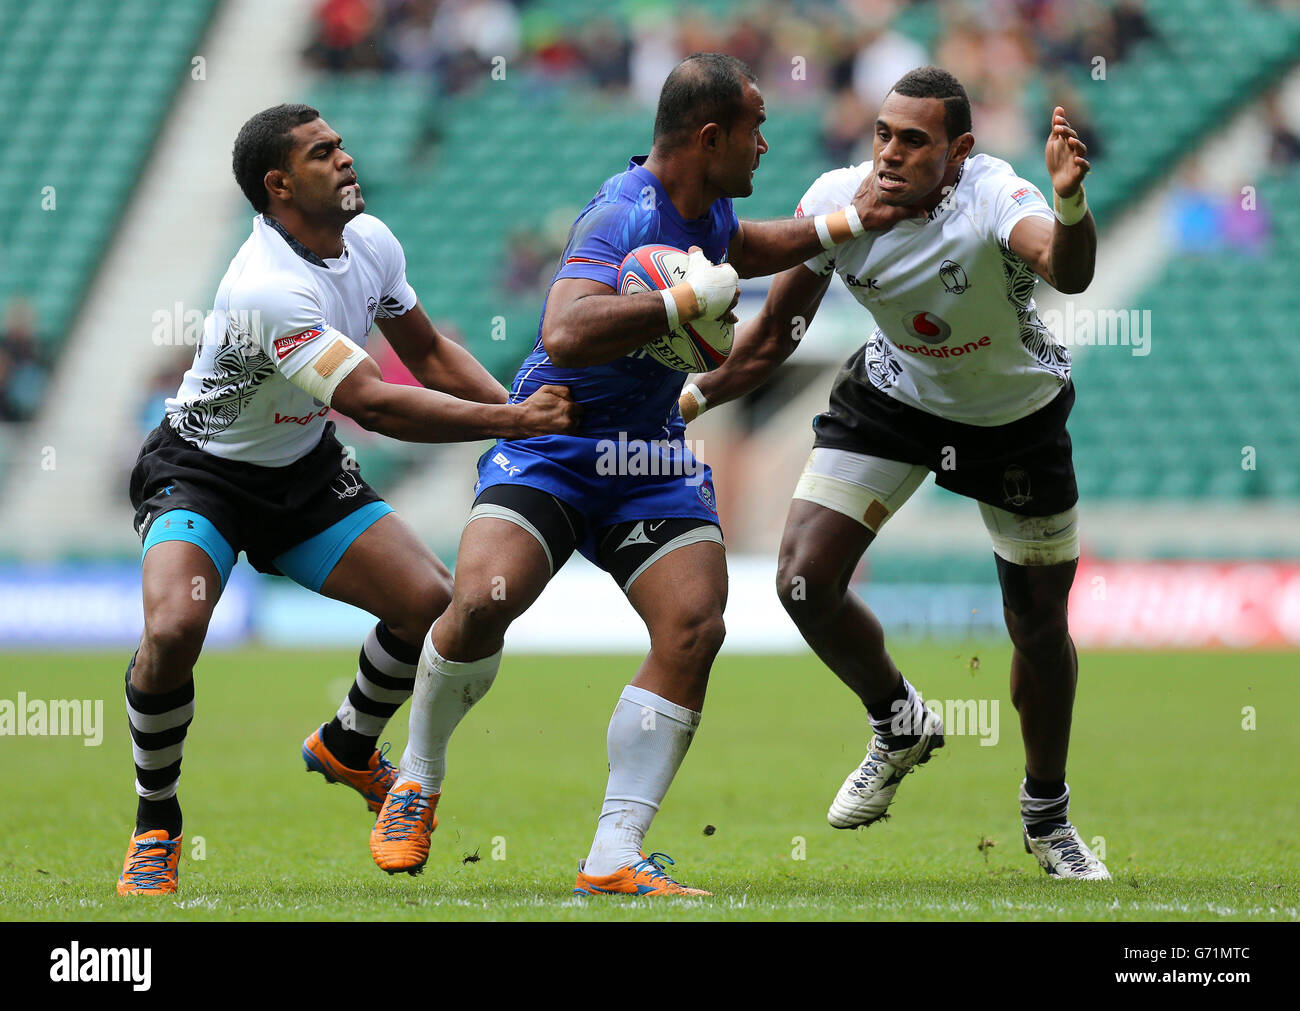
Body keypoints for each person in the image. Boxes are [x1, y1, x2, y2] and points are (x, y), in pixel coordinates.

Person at [368, 52, 915, 895]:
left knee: (695, 625)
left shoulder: (711, 208)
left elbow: (747, 245)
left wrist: (843, 225)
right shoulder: (621, 215)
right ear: (709, 136)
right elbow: (563, 330)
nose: (766, 145)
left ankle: (614, 854)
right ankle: (418, 776)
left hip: (651, 455)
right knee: (479, 602)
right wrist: (676, 306)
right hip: (555, 443)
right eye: (755, 127)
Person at [118, 103, 578, 895]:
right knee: (173, 628)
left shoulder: (371, 242)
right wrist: (513, 418)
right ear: (279, 183)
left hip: (302, 472)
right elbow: (374, 403)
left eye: (340, 145)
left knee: (432, 603)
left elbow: (428, 352)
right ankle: (156, 823)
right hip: (203, 472)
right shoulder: (268, 287)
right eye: (322, 152)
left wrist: (522, 421)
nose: (345, 157)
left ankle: (350, 744)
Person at [680, 66, 1110, 880]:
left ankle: (1046, 814)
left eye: (914, 140)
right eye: (883, 133)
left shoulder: (993, 195)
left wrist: (1071, 202)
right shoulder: (838, 203)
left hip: (1012, 417)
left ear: (959, 153)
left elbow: (1069, 268)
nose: (890, 153)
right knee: (802, 580)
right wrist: (690, 397)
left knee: (1039, 629)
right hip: (895, 392)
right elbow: (772, 339)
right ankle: (900, 720)